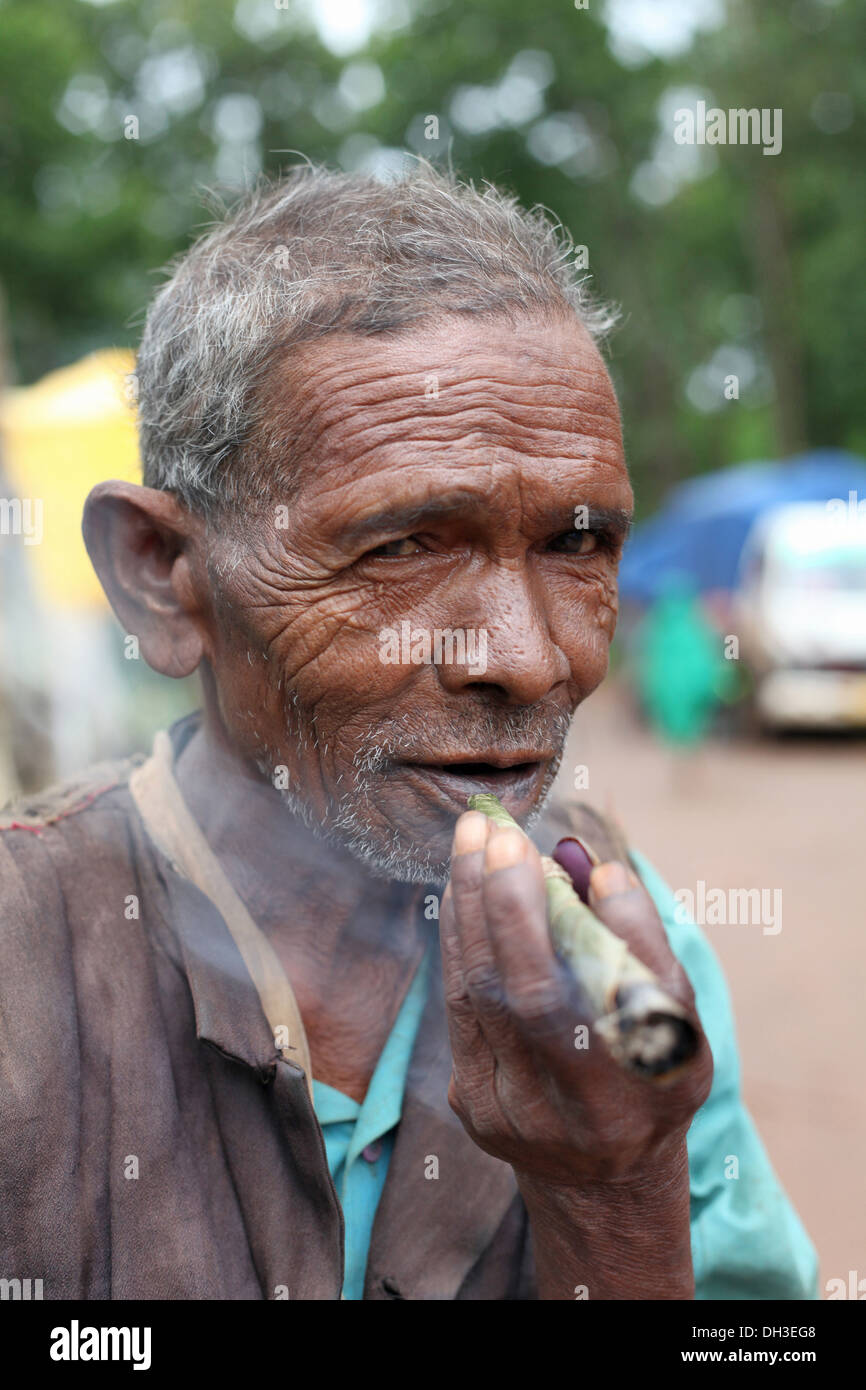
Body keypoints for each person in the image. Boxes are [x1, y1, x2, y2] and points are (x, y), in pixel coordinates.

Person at [0, 164, 816, 1300]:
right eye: (402, 548)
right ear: (163, 578)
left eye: (577, 546)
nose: (530, 659)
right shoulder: (22, 957)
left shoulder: (624, 949)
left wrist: (616, 1200)